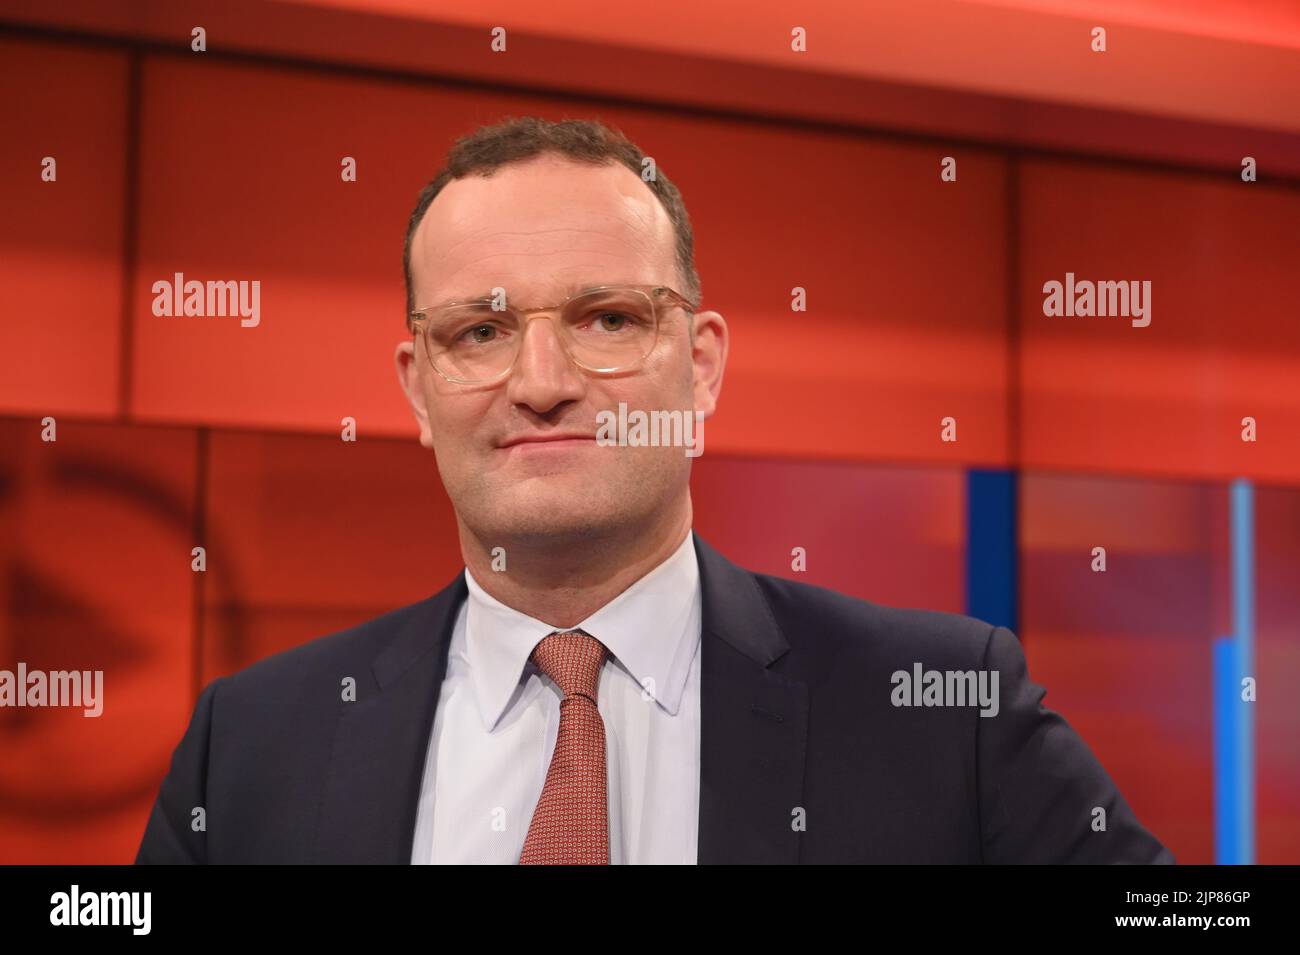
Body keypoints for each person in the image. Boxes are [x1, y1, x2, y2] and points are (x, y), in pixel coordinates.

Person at [136, 116, 1173, 864]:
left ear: (703, 363)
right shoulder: (252, 743)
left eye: (608, 319)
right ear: (418, 388)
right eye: (480, 332)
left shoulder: (946, 710)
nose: (541, 384)